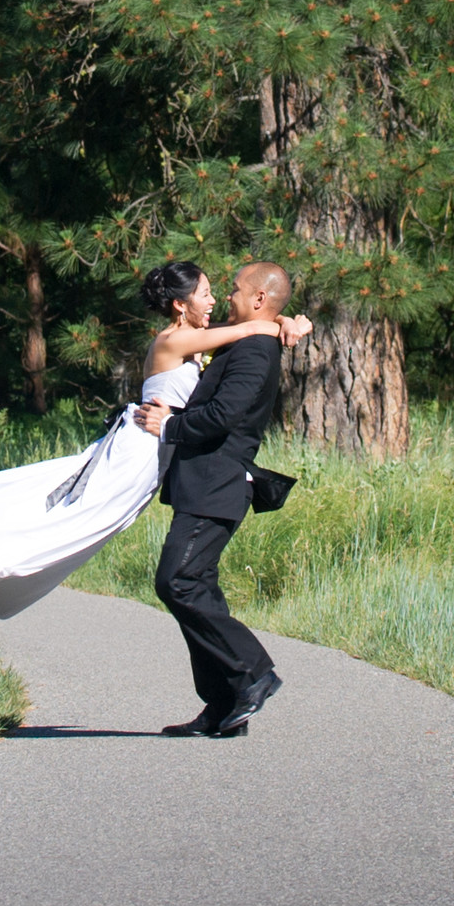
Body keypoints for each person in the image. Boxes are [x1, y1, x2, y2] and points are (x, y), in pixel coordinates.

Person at [0, 261, 310, 627]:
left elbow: (249, 328)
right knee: (72, 522)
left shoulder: (194, 343)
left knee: (84, 531)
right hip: (137, 452)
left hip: (152, 459)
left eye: (221, 292)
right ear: (180, 304)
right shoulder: (175, 339)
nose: (215, 301)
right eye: (207, 293)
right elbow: (250, 330)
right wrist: (286, 322)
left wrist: (282, 320)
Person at [132, 259, 294, 738]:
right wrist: (287, 321)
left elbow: (224, 414)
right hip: (201, 483)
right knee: (196, 587)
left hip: (218, 483)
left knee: (177, 582)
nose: (227, 297)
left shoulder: (255, 349)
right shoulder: (250, 336)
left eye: (238, 289)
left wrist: (172, 426)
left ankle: (254, 673)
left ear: (260, 298)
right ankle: (223, 707)